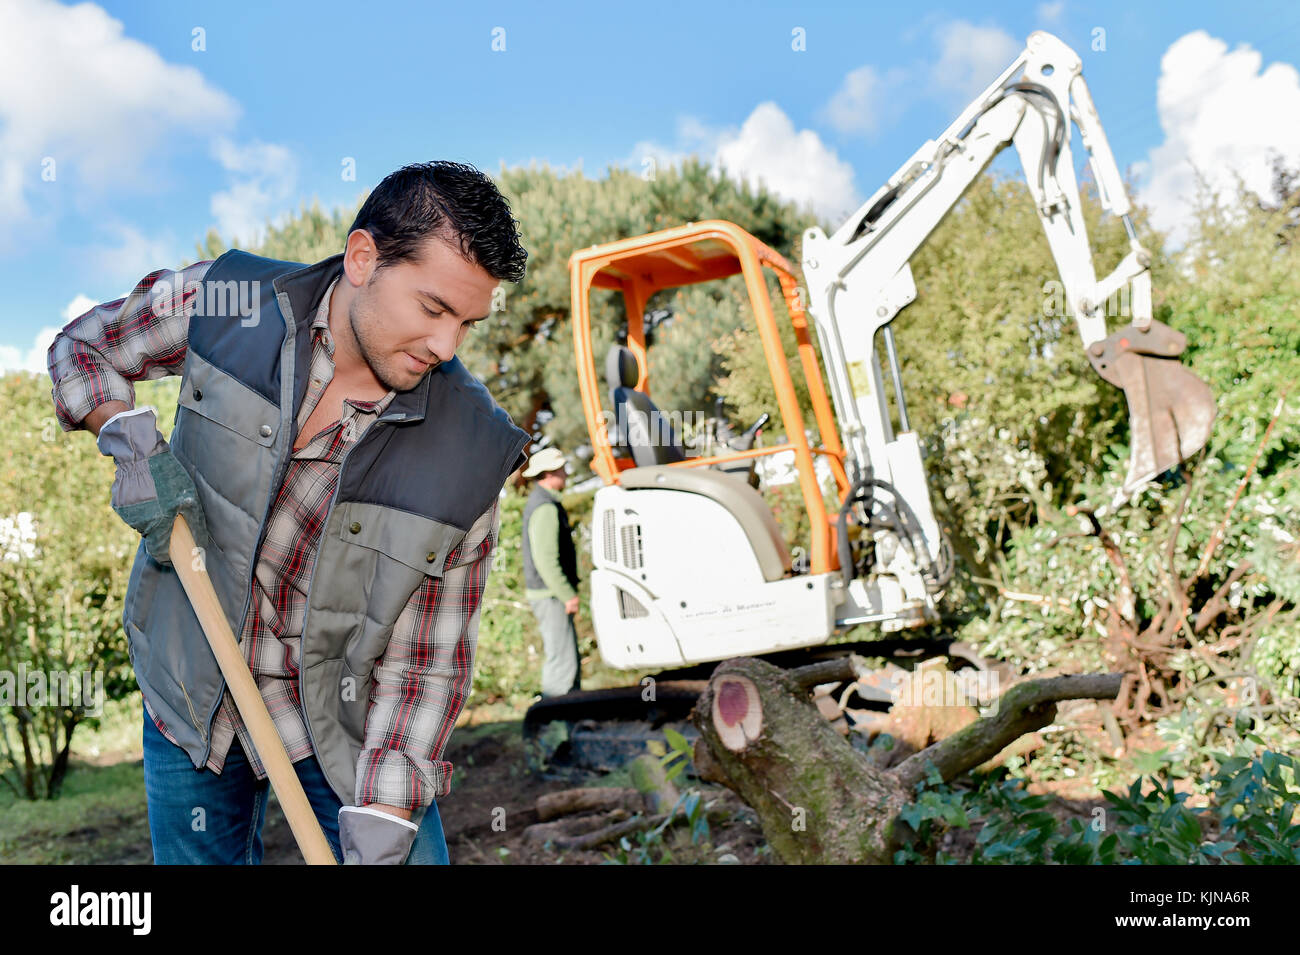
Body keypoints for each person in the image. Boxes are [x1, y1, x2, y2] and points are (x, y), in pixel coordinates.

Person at [46, 161, 530, 865]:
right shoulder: (230, 301)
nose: (446, 346)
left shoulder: (472, 454)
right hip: (192, 680)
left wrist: (387, 813)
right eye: (432, 309)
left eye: (467, 321)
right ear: (363, 258)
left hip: (336, 717)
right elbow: (80, 349)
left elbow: (427, 665)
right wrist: (126, 439)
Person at [520, 447, 583, 698]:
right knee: (562, 664)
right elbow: (546, 560)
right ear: (548, 474)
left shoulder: (545, 502)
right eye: (562, 469)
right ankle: (554, 734)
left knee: (566, 659)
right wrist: (567, 594)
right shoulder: (545, 507)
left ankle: (568, 728)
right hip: (550, 595)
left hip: (550, 594)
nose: (566, 474)